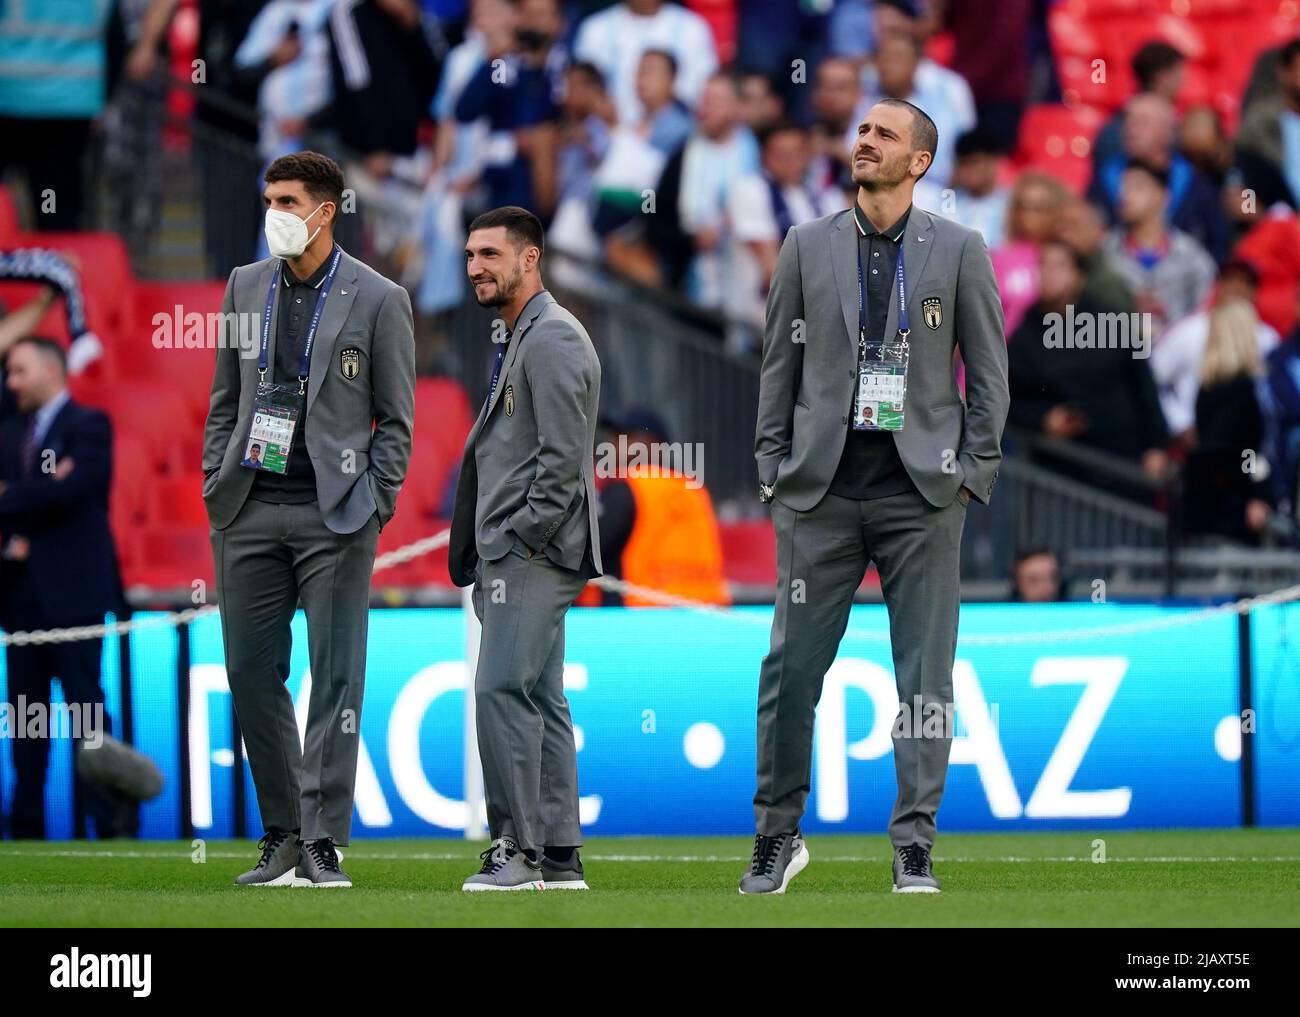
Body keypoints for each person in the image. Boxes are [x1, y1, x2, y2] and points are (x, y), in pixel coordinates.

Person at [744, 97, 1009, 894]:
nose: (865, 142)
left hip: (923, 497)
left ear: (919, 162)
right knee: (790, 671)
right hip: (819, 495)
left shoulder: (960, 249)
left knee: (924, 680)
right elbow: (774, 368)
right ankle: (776, 833)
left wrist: (971, 474)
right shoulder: (804, 244)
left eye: (884, 135)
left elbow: (990, 376)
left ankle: (914, 842)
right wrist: (771, 471)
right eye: (862, 131)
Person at [203, 151, 415, 887]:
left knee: (336, 679)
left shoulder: (379, 297)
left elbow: (397, 420)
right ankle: (284, 830)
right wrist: (214, 481)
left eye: (287, 200)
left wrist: (375, 501)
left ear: (325, 212)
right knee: (250, 672)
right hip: (250, 504)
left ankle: (324, 836)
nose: (273, 213)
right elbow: (225, 399)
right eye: (268, 198)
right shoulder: (243, 286)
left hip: (336, 514)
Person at [448, 205, 602, 891]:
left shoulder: (552, 338)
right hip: (524, 550)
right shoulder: (524, 335)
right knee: (540, 696)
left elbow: (563, 460)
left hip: (534, 552)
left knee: (499, 689)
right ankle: (561, 852)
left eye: (489, 253)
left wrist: (519, 539)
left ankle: (518, 847)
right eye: (470, 255)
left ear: (530, 257)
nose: (475, 266)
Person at [0, 338, 128, 838]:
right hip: (20, 597)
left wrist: (15, 496)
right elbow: (54, 493)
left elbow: (74, 491)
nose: (11, 382)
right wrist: (41, 494)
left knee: (86, 709)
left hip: (74, 595)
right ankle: (27, 822)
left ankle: (110, 820)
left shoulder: (89, 425)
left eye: (19, 371)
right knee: (25, 714)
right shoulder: (9, 433)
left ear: (52, 371)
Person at [1150, 260, 1280, 444]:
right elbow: (1152, 380)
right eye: (1231, 281)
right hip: (1193, 441)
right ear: (1218, 286)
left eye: (1246, 284)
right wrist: (1179, 423)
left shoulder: (1267, 339)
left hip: (1248, 443)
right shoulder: (1189, 331)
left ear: (1255, 292)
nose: (1238, 289)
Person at [1102, 159, 1216, 335]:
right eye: (1123, 187)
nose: (1124, 194)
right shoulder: (1105, 253)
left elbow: (1206, 313)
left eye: (1137, 187)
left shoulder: (1192, 256)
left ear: (1163, 196)